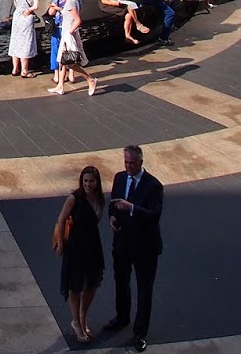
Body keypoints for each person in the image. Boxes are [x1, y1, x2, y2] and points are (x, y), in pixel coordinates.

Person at [102, 145, 163, 352]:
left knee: (144, 289)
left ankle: (140, 333)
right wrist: (112, 217)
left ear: (141, 163)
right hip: (122, 242)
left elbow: (154, 215)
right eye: (126, 162)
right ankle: (122, 317)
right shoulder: (119, 178)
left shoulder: (153, 185)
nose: (128, 166)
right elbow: (113, 204)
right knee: (121, 281)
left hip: (145, 247)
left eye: (132, 163)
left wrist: (132, 208)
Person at [52, 165, 107, 343]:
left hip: (92, 245)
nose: (88, 184)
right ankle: (76, 322)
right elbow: (61, 220)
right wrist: (60, 244)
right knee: (75, 285)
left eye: (91, 181)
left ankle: (83, 317)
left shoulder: (99, 198)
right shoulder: (74, 198)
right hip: (76, 246)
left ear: (97, 182)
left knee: (91, 283)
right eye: (85, 181)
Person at [50, 0, 100, 96]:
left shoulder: (71, 2)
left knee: (70, 62)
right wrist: (59, 9)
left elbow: (77, 20)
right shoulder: (72, 1)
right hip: (67, 35)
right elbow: (68, 14)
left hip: (68, 35)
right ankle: (60, 86)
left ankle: (90, 79)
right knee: (63, 61)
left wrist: (70, 32)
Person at [8, 0, 41, 76]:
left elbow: (15, 3)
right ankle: (24, 70)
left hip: (17, 16)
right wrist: (28, 10)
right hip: (27, 17)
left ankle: (14, 69)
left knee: (15, 41)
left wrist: (20, 9)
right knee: (26, 42)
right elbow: (36, 6)